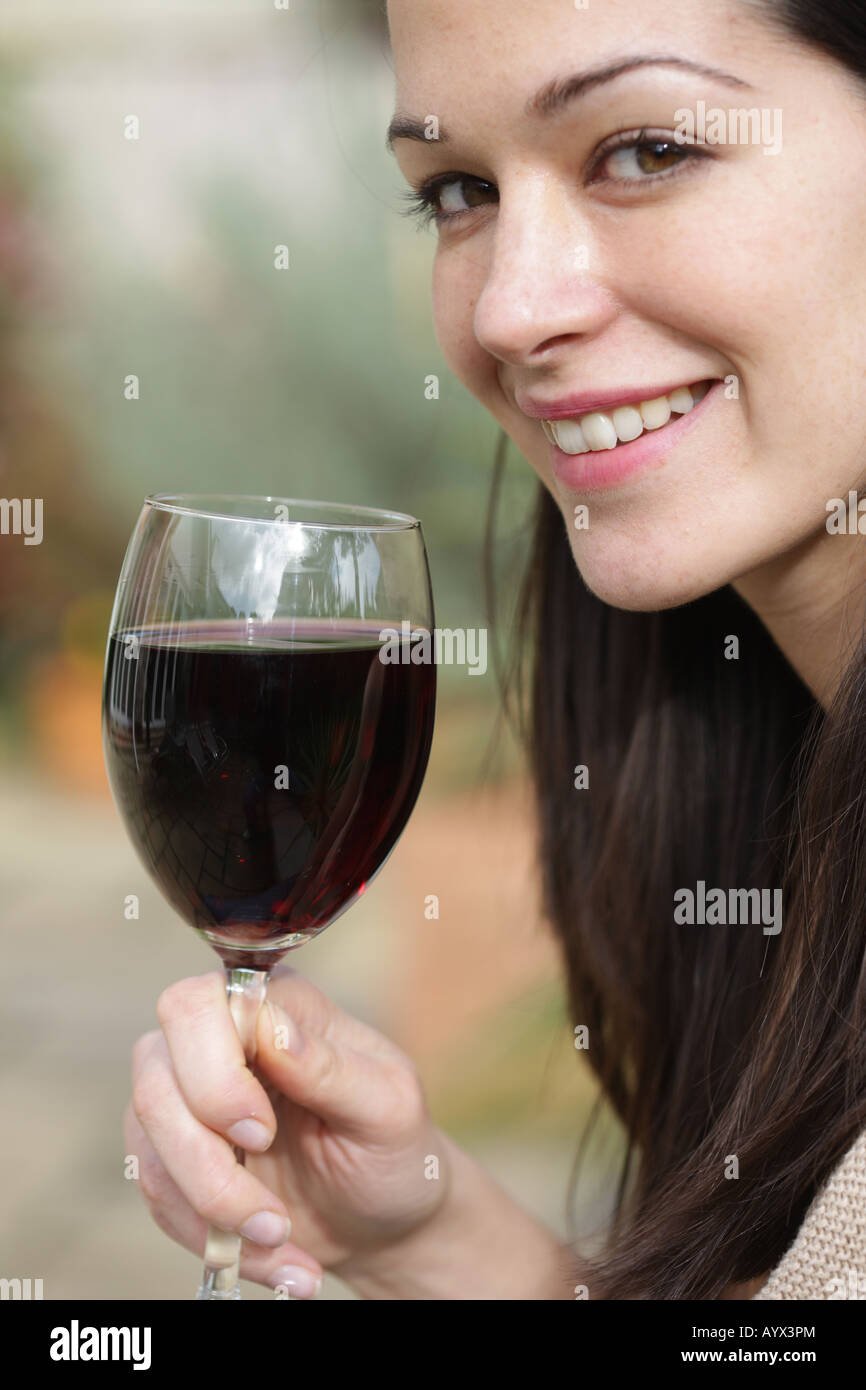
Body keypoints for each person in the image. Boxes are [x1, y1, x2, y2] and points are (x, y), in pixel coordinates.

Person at [126, 0, 866, 1299]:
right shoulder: (731, 758)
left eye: (644, 151)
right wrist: (446, 1243)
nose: (512, 310)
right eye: (457, 189)